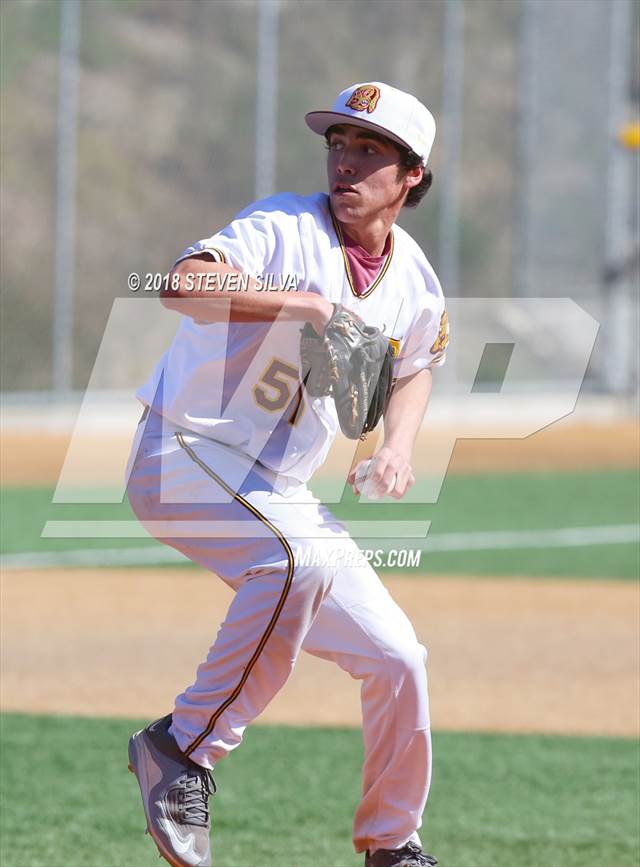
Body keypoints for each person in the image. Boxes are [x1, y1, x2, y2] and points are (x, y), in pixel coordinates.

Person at [126, 81, 448, 867]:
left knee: (399, 657)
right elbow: (179, 283)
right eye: (339, 143)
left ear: (412, 176)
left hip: (278, 490)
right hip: (186, 453)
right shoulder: (282, 226)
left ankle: (392, 842)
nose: (345, 160)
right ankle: (182, 748)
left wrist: (399, 445)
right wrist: (297, 303)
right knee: (293, 560)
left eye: (369, 149)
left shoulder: (412, 278)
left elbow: (416, 364)